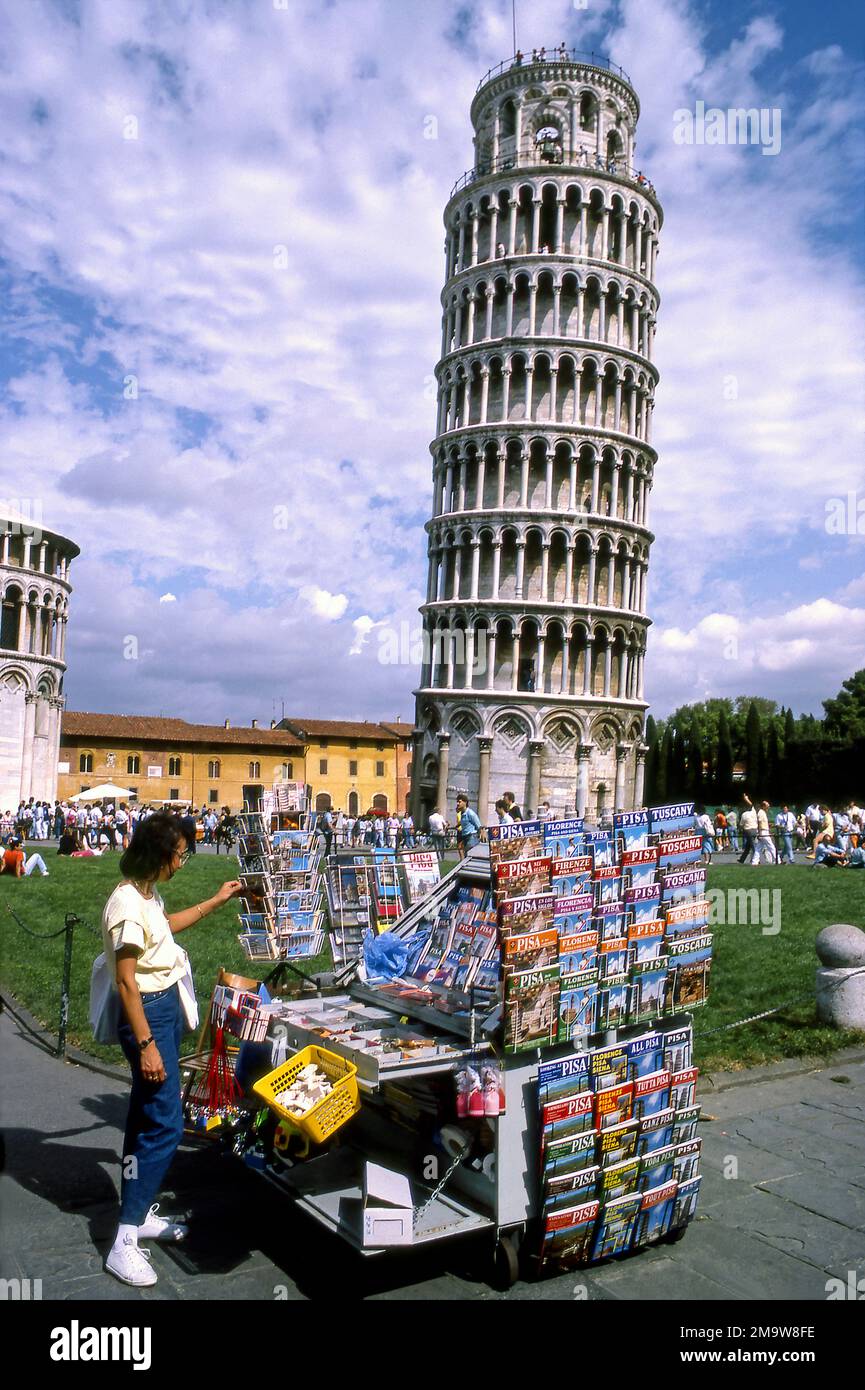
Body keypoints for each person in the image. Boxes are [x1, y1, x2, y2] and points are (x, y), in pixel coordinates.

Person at [102, 812, 241, 1288]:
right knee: (166, 1123)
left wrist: (216, 901)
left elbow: (165, 927)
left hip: (160, 1010)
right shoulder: (125, 904)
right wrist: (146, 1046)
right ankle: (124, 1240)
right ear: (161, 853)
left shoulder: (145, 895)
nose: (183, 861)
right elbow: (125, 981)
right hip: (146, 1016)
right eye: (181, 853)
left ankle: (135, 1214)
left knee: (144, 1117)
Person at [455, 793, 481, 858]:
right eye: (457, 802)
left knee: (470, 857)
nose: (458, 803)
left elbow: (479, 826)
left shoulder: (470, 813)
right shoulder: (462, 813)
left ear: (465, 802)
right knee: (466, 856)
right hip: (465, 837)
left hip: (472, 837)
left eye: (459, 802)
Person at [738, 800, 758, 864]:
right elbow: (751, 804)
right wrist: (746, 799)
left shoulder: (744, 814)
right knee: (748, 846)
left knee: (753, 846)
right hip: (755, 829)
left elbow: (741, 824)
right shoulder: (754, 812)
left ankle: (757, 859)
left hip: (748, 830)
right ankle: (742, 859)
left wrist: (740, 829)